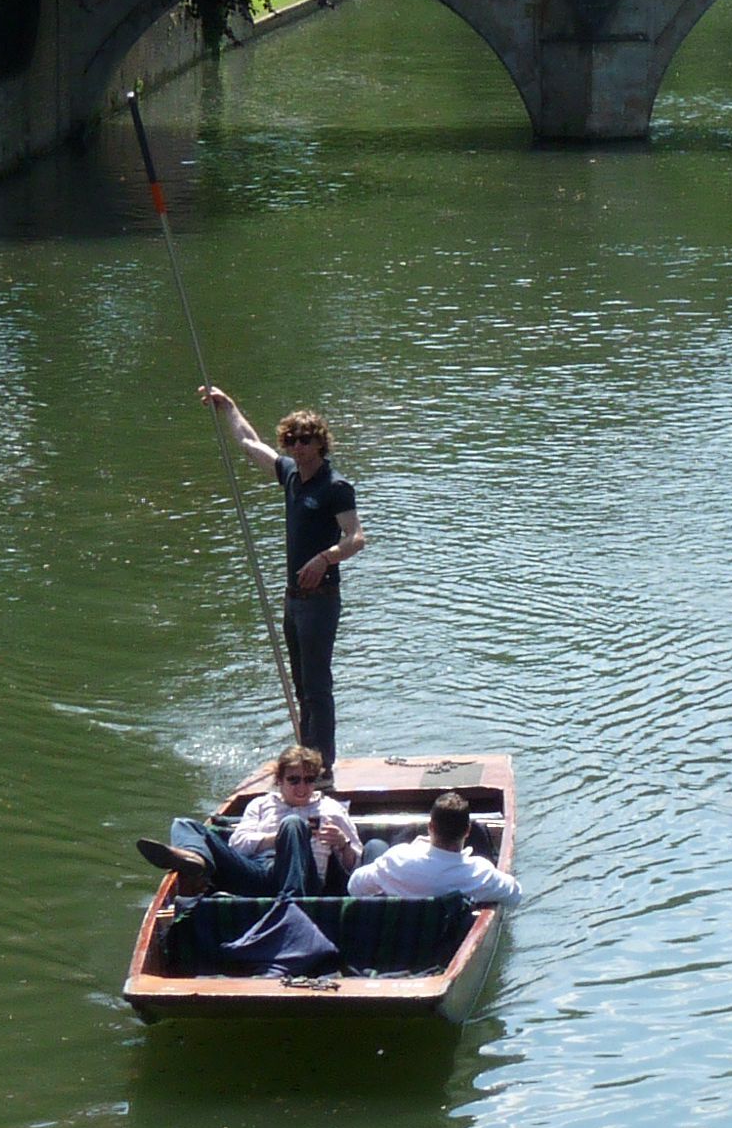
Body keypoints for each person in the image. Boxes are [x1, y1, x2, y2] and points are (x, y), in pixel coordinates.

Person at [199, 385, 366, 773]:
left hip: (321, 599)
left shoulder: (335, 487)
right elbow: (248, 443)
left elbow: (356, 537)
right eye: (291, 441)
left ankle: (320, 766)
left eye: (305, 441)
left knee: (317, 685)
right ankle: (306, 760)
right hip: (294, 599)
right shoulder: (291, 474)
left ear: (320, 444)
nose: (297, 448)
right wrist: (229, 406)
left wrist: (325, 559)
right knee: (301, 685)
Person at [136, 745, 362, 898]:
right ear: (279, 781)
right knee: (183, 824)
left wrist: (342, 844)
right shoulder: (261, 805)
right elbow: (238, 845)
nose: (302, 787)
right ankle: (197, 860)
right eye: (294, 780)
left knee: (294, 824)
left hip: (305, 880)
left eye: (309, 780)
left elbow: (358, 865)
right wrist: (275, 840)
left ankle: (293, 906)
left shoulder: (331, 809)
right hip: (261, 873)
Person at [348, 791, 522, 903]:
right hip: (442, 941)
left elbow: (354, 887)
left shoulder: (397, 859)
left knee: (375, 846)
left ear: (430, 827)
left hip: (402, 935)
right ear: (467, 831)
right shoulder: (480, 873)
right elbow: (515, 894)